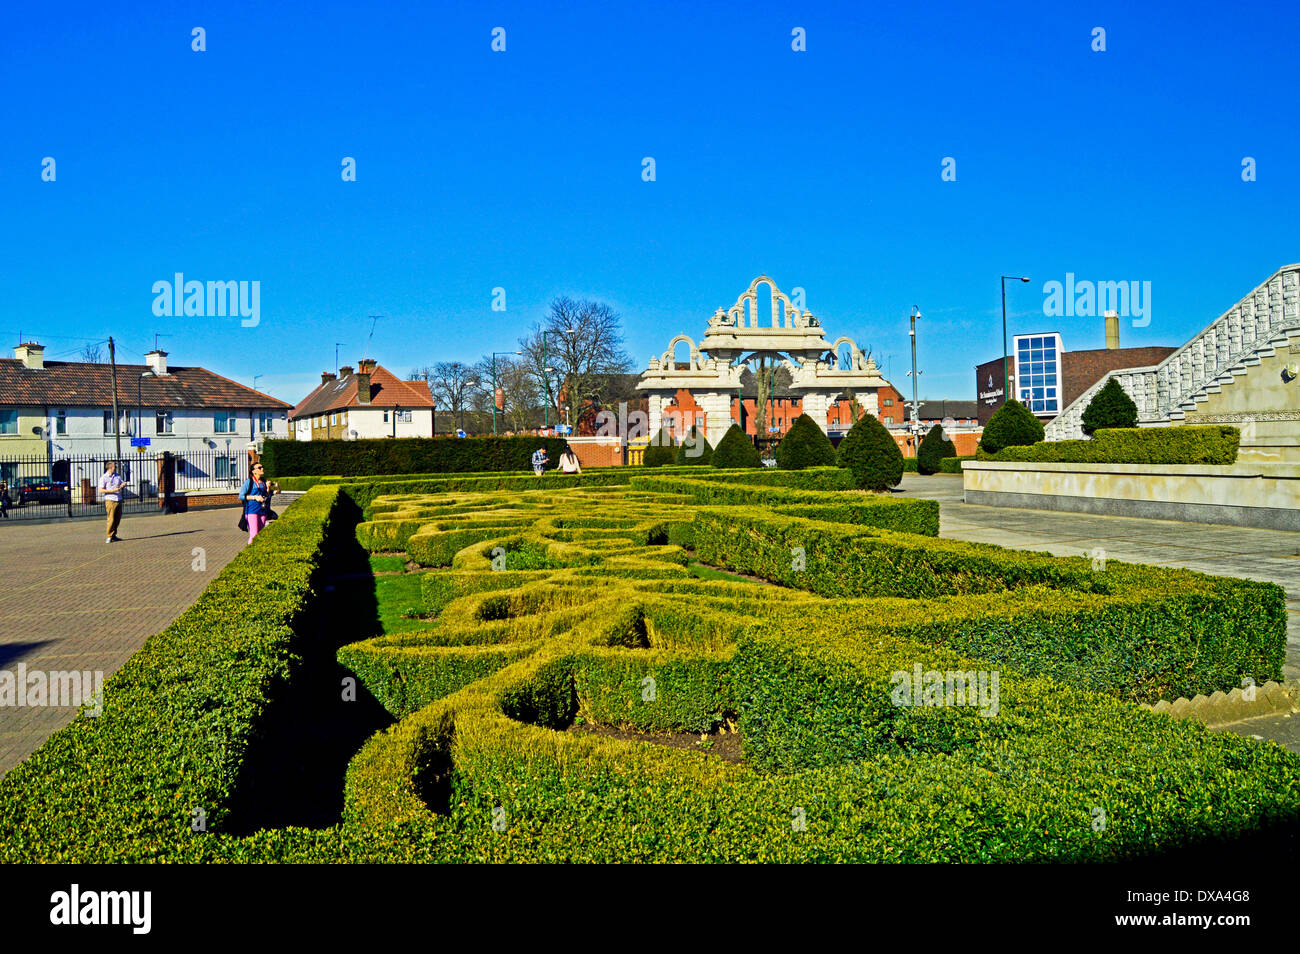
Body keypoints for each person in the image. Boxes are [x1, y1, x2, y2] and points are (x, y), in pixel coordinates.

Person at [238, 462, 277, 544]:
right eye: (259, 468)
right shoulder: (249, 482)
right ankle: (249, 553)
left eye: (262, 467)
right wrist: (255, 497)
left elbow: (266, 495)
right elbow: (241, 496)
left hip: (262, 510)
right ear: (253, 471)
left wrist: (268, 488)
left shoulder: (263, 482)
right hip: (251, 511)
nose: (262, 469)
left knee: (260, 534)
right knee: (254, 534)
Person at [98, 461, 126, 543]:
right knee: (111, 519)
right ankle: (109, 536)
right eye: (114, 466)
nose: (115, 468)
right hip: (110, 500)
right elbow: (100, 490)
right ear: (110, 467)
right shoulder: (104, 477)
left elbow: (122, 482)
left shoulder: (117, 476)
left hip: (118, 499)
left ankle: (114, 534)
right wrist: (112, 490)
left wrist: (123, 484)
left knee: (118, 518)